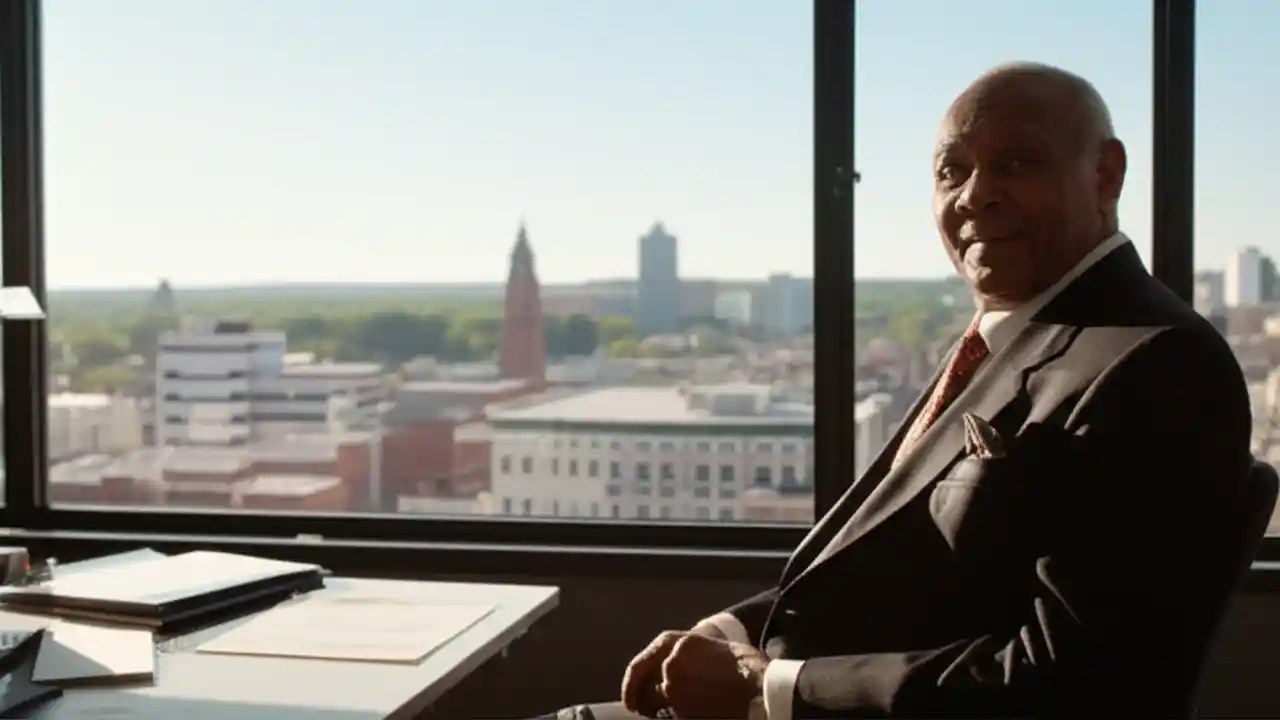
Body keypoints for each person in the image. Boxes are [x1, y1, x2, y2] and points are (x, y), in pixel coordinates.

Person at [542, 61, 1253, 719]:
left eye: (1017, 162)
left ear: (1106, 175)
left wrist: (766, 688)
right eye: (953, 171)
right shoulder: (1016, 337)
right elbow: (896, 567)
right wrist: (732, 632)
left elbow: (1080, 684)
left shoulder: (1159, 365)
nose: (976, 195)